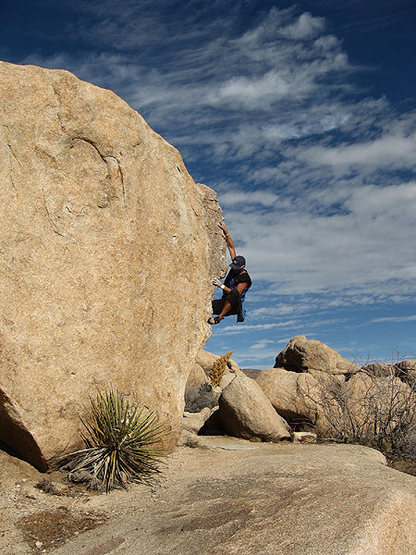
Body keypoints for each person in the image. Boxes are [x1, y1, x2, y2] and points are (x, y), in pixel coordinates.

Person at [208, 221, 252, 325]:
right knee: (208, 306)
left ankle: (219, 317)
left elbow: (235, 293)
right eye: (234, 266)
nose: (234, 269)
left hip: (233, 305)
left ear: (243, 267)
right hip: (224, 301)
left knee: (232, 296)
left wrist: (221, 285)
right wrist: (226, 231)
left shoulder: (245, 279)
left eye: (236, 268)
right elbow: (231, 248)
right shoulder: (235, 266)